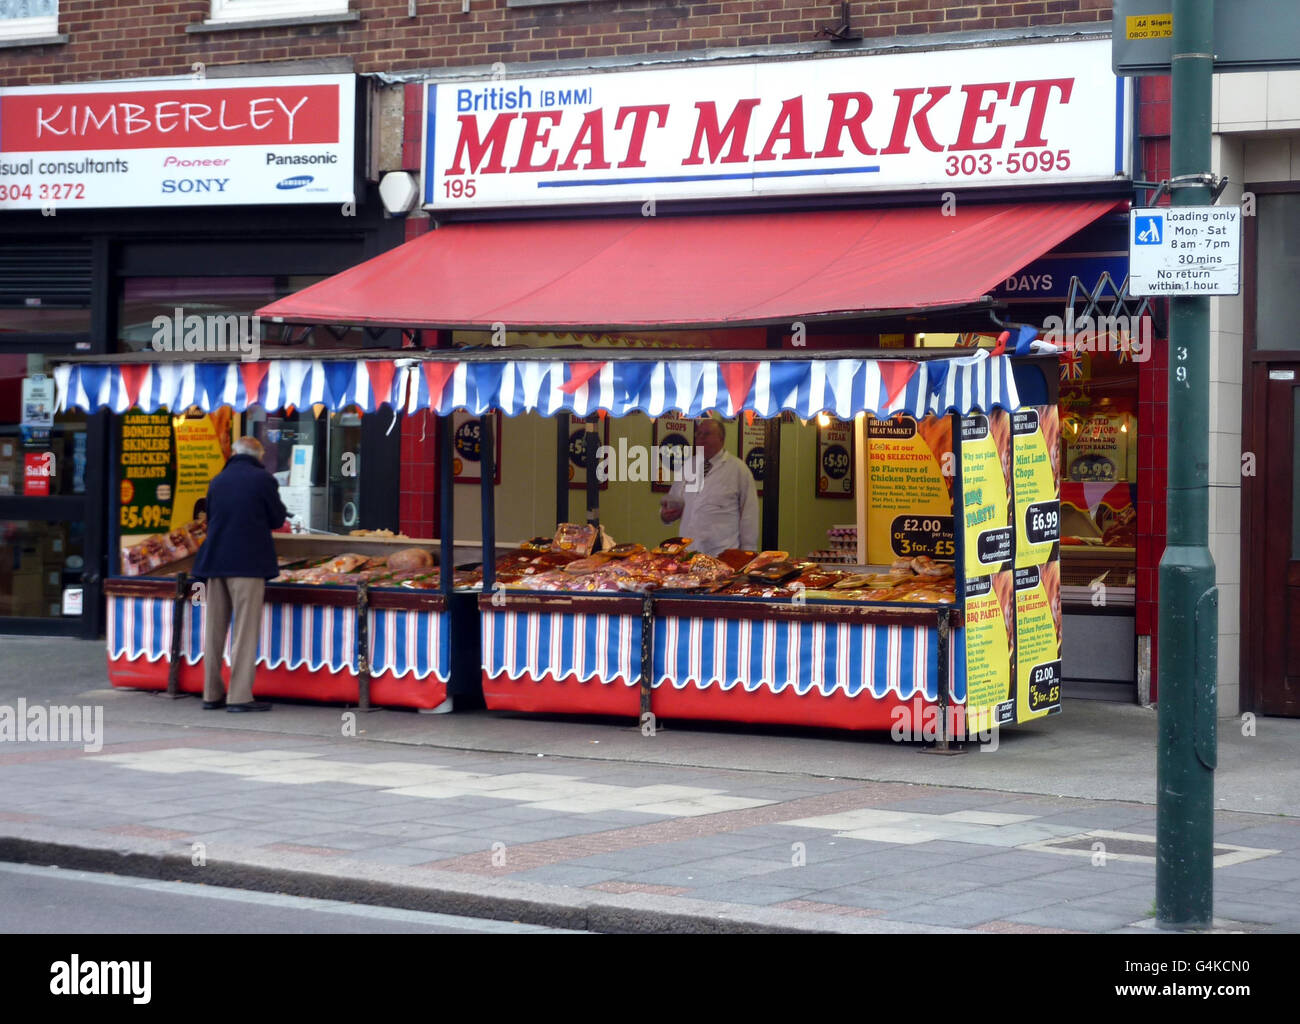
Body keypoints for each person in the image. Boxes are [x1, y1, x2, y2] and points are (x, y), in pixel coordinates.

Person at [192, 436, 287, 712]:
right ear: (258, 455)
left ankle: (211, 693)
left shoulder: (217, 480)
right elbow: (277, 519)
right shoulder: (263, 480)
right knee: (244, 631)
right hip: (247, 564)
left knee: (214, 630)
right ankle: (239, 697)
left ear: (233, 453)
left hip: (214, 563)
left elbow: (211, 517)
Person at [660, 417, 758, 557]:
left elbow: (749, 516)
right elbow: (673, 501)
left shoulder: (739, 470)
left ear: (721, 438)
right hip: (688, 553)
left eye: (706, 434)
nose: (701, 438)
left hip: (722, 554)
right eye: (698, 434)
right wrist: (666, 515)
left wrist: (748, 554)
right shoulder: (688, 466)